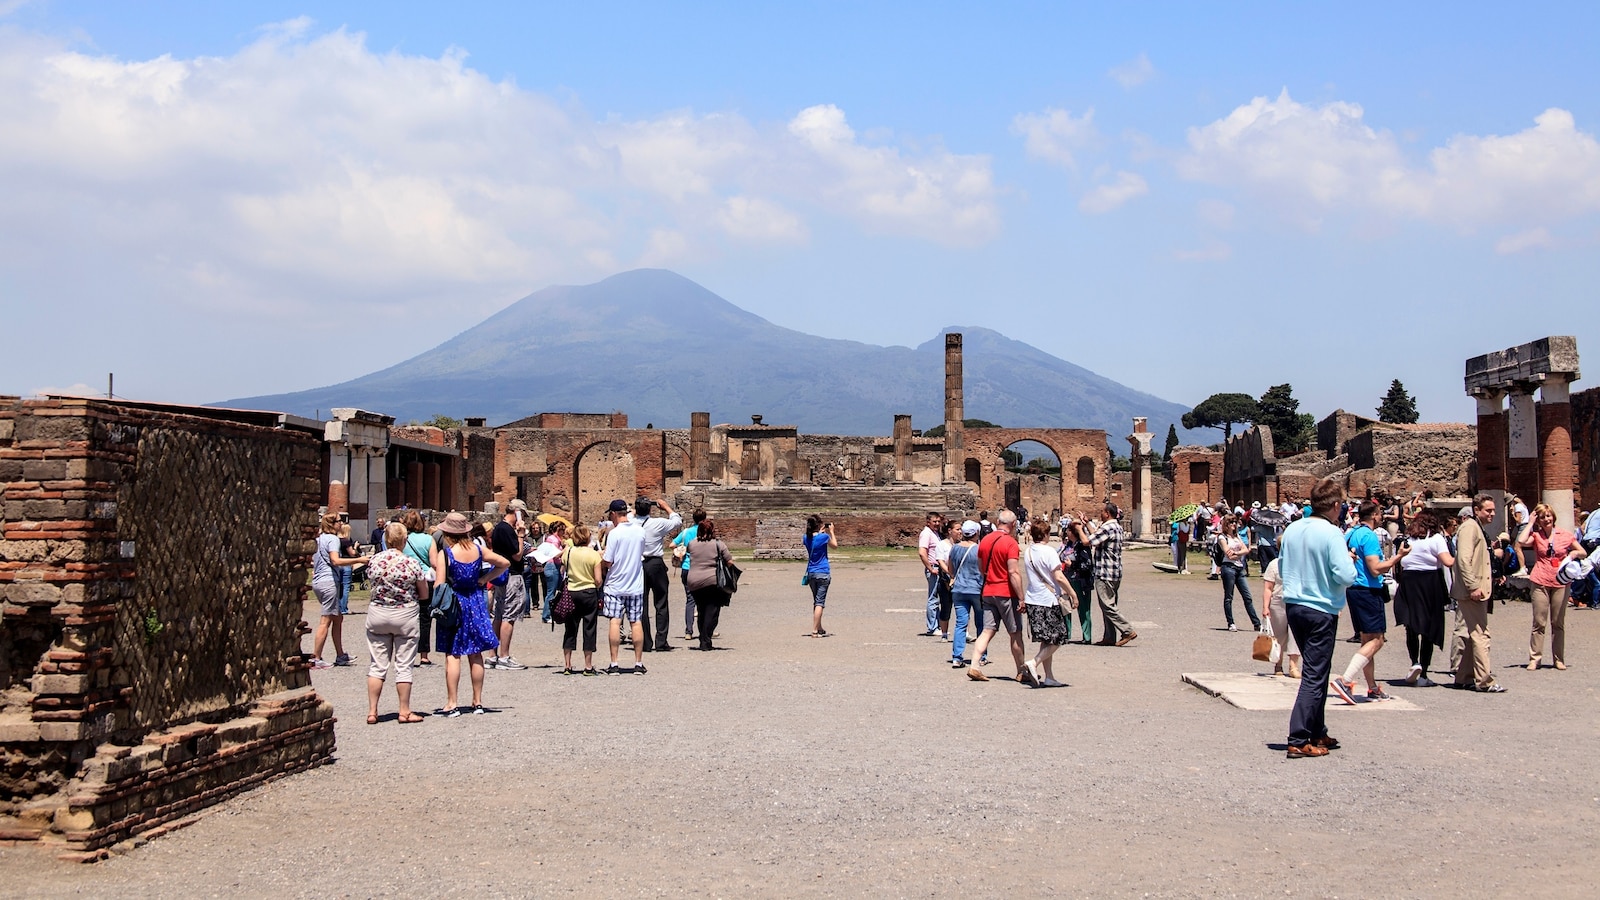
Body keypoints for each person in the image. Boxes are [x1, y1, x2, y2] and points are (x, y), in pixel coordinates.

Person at [1279, 478, 1359, 758]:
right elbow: (1345, 575)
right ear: (1336, 506)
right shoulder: (1331, 533)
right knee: (1314, 674)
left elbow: (1282, 564)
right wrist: (1350, 562)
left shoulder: (1292, 529)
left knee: (1318, 670)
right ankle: (1299, 738)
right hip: (1320, 608)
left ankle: (1317, 730)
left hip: (1294, 604)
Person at [432, 512, 508, 716]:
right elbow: (504, 563)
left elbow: (439, 584)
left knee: (453, 654)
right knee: (475, 654)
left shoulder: (446, 554)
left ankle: (452, 703)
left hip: (455, 603)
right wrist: (485, 579)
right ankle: (478, 701)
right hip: (475, 601)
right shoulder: (477, 549)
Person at [1331, 500, 1406, 704]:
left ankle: (1372, 688)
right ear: (1374, 515)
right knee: (1378, 640)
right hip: (1368, 590)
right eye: (1380, 514)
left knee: (1367, 641)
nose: (1381, 516)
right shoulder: (1369, 536)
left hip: (1354, 588)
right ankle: (1345, 680)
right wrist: (1398, 557)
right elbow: (1375, 568)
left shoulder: (1351, 533)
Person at [364, 522, 425, 724]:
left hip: (378, 613)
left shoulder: (374, 561)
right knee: (404, 665)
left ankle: (372, 711)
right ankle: (404, 711)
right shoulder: (411, 563)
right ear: (404, 540)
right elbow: (423, 593)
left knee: (377, 665)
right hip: (404, 615)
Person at [1517, 503, 1587, 671]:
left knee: (1558, 622)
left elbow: (1583, 552)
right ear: (1539, 520)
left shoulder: (1565, 535)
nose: (1546, 519)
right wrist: (1530, 522)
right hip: (1540, 580)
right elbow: (1520, 541)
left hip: (1561, 582)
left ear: (1553, 517)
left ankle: (1558, 659)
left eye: (1548, 516)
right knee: (1539, 622)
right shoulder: (1536, 535)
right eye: (1542, 517)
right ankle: (1535, 658)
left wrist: (1574, 553)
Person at [1393, 512, 1455, 687]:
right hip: (1429, 582)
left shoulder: (1409, 539)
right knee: (1429, 628)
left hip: (1409, 582)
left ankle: (1415, 662)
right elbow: (1448, 561)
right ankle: (1424, 673)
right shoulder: (1436, 538)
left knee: (1411, 626)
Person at [1452, 495, 1507, 693]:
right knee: (1481, 634)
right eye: (1488, 510)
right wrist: (1473, 586)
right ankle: (1485, 680)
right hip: (1472, 591)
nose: (1492, 514)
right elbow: (1463, 560)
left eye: (1493, 510)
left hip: (1478, 589)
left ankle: (1464, 676)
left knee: (1474, 633)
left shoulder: (1477, 528)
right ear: (1476, 510)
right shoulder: (1469, 528)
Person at [967, 510, 1029, 684]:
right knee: (1015, 632)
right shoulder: (1010, 543)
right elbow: (1014, 572)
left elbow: (981, 567)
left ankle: (974, 665)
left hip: (988, 590)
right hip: (1006, 592)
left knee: (987, 630)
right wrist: (1021, 597)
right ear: (1014, 524)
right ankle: (1021, 670)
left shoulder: (985, 540)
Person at [1021, 520, 1076, 687]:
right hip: (1048, 600)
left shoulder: (1028, 551)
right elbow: (1058, 576)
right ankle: (1034, 662)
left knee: (1047, 640)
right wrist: (1073, 593)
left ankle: (1049, 676)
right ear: (1046, 534)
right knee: (1059, 637)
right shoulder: (1049, 551)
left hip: (1033, 599)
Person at [311, 512, 370, 669]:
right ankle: (316, 658)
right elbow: (335, 560)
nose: (341, 524)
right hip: (328, 581)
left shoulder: (318, 539)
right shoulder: (333, 539)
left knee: (338, 618)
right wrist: (359, 560)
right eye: (339, 521)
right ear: (332, 524)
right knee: (326, 620)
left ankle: (340, 655)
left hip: (318, 582)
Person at [600, 499, 648, 674]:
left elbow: (608, 560)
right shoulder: (640, 531)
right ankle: (638, 662)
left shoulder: (614, 533)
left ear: (613, 514)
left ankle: (614, 663)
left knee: (615, 621)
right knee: (636, 623)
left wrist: (601, 560)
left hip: (615, 584)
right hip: (635, 584)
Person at [632, 496, 683, 652]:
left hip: (638, 564)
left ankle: (645, 642)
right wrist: (666, 507)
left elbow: (627, 515)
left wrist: (634, 511)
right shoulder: (657, 523)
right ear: (650, 509)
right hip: (655, 563)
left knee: (642, 604)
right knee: (661, 602)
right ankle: (661, 641)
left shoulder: (630, 523)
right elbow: (677, 521)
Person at [488, 500, 529, 670]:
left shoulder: (498, 528)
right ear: (517, 512)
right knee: (508, 616)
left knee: (499, 614)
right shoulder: (508, 530)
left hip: (502, 575)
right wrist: (520, 534)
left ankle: (492, 656)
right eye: (523, 514)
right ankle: (504, 656)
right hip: (512, 576)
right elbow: (518, 555)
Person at [1090, 502, 1137, 647]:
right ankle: (1109, 636)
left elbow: (1088, 541)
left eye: (1102, 512)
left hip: (1105, 572)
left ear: (1107, 513)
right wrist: (1087, 524)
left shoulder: (1107, 527)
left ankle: (1127, 630)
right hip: (1115, 571)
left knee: (1107, 605)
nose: (1100, 514)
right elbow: (1097, 535)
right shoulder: (1116, 526)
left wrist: (1079, 528)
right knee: (1110, 603)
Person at [558, 523, 603, 675]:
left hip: (571, 591)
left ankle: (567, 665)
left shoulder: (568, 552)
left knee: (570, 628)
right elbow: (598, 579)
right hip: (589, 592)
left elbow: (563, 570)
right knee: (589, 627)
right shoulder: (593, 554)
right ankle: (588, 666)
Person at [685, 517, 733, 651]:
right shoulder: (718, 544)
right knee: (713, 612)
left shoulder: (692, 543)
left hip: (694, 582)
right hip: (712, 581)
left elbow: (687, 553)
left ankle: (703, 637)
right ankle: (706, 639)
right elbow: (729, 561)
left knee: (701, 610)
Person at [943, 520, 983, 667]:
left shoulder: (954, 548)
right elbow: (983, 570)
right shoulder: (979, 549)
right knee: (980, 624)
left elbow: (950, 569)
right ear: (976, 533)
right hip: (976, 589)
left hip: (959, 589)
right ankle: (981, 655)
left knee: (961, 624)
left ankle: (957, 656)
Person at [399, 511, 436, 667]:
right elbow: (434, 562)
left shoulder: (402, 540)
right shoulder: (428, 539)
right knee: (425, 617)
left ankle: (405, 653)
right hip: (425, 579)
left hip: (406, 579)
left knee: (406, 615)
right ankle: (424, 654)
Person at [1218, 514, 1262, 632]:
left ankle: (1256, 623)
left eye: (1235, 522)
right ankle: (1231, 622)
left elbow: (1246, 549)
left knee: (1247, 597)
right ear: (1226, 525)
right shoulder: (1222, 538)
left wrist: (1237, 554)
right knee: (1229, 597)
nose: (1234, 524)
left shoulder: (1237, 537)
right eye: (1231, 522)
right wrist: (1239, 553)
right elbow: (1228, 554)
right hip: (1228, 568)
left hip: (1239, 568)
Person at [1260, 556, 1301, 678]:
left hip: (1296, 601)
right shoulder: (1274, 564)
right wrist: (1265, 607)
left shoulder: (1300, 562)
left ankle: (1293, 666)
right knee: (1279, 636)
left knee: (1295, 634)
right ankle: (1278, 665)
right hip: (1278, 601)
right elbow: (1268, 588)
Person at [672, 510, 706, 642]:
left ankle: (688, 631)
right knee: (704, 600)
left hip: (687, 567)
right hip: (701, 568)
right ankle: (705, 630)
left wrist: (681, 551)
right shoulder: (705, 531)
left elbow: (672, 544)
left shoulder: (686, 532)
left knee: (690, 600)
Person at [1063, 519, 1096, 644]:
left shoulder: (1082, 545)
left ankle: (1086, 636)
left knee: (1083, 608)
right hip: (1067, 580)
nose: (1067, 532)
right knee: (1065, 606)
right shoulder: (1068, 545)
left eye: (1069, 530)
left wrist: (1072, 564)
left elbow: (1087, 564)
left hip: (1080, 580)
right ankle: (1066, 634)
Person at [803, 514, 835, 637]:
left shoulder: (806, 538)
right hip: (823, 572)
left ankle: (819, 626)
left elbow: (813, 540)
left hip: (811, 573)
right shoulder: (824, 537)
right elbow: (835, 546)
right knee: (820, 603)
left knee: (816, 601)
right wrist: (831, 532)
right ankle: (814, 630)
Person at [918, 513, 945, 638]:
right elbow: (922, 552)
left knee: (938, 597)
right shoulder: (926, 533)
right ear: (928, 521)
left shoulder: (935, 533)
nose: (937, 524)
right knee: (933, 598)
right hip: (933, 568)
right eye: (935, 521)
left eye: (938, 521)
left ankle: (937, 625)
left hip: (938, 568)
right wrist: (930, 568)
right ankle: (932, 627)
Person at [540, 521, 569, 624]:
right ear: (558, 530)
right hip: (552, 566)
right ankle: (546, 616)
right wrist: (566, 549)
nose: (564, 532)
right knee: (551, 593)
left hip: (555, 566)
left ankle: (553, 613)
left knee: (558, 591)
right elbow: (555, 555)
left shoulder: (556, 540)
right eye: (562, 530)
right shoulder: (553, 540)